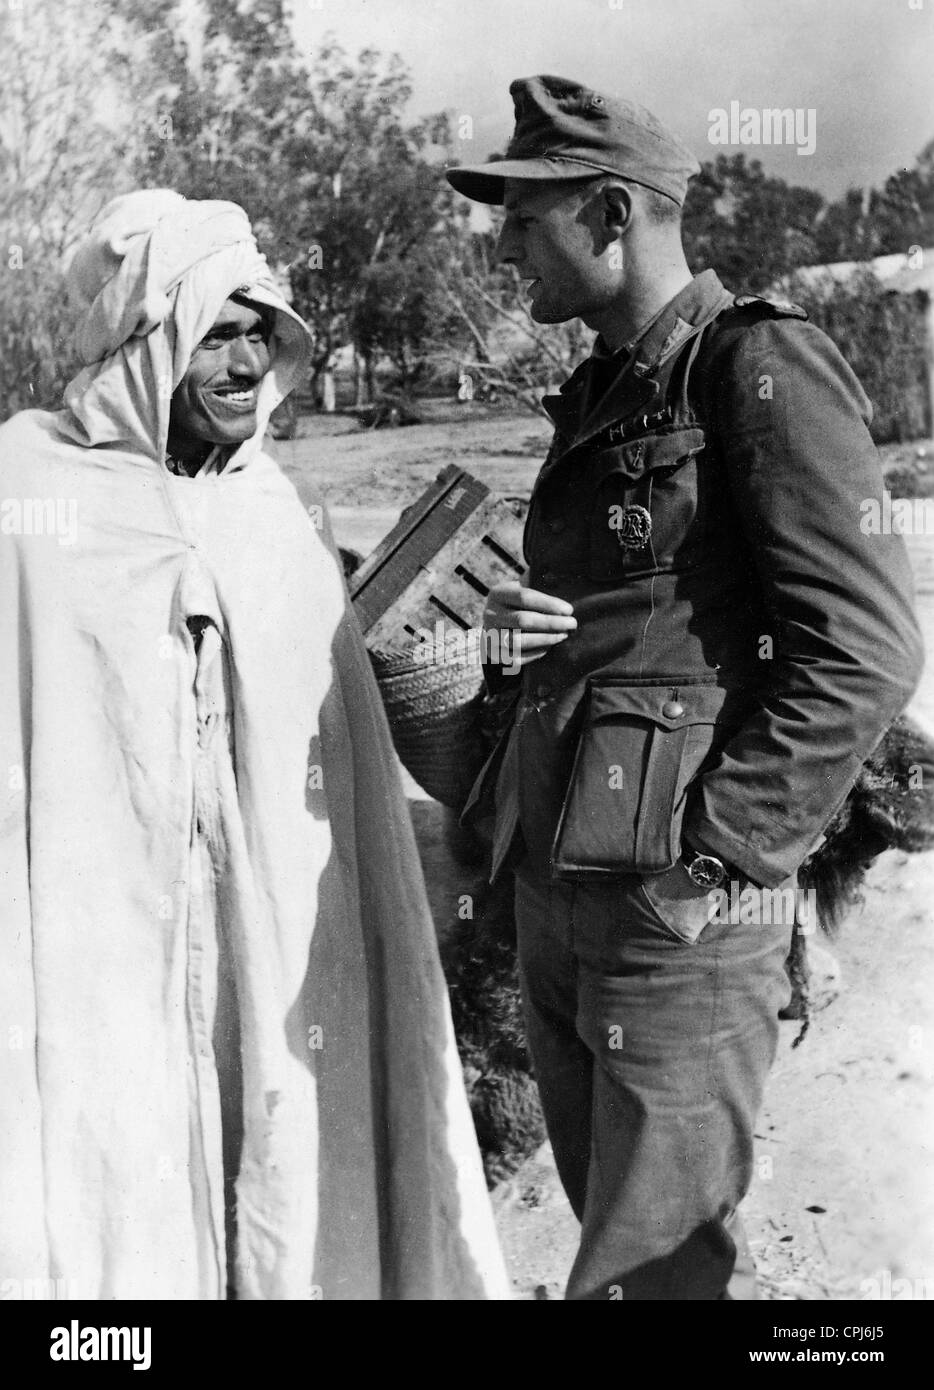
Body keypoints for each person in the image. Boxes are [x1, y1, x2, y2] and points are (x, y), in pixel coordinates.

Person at [447, 75, 923, 1300]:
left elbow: (863, 646)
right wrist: (526, 633)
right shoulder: (608, 386)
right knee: (623, 1248)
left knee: (650, 1274)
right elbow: (645, 622)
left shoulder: (759, 364)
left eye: (523, 214)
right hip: (569, 885)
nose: (502, 244)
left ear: (609, 213)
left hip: (675, 910)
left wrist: (714, 867)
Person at [0, 190, 509, 1301]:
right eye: (213, 334)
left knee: (290, 1153)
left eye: (259, 332)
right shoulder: (31, 498)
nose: (244, 363)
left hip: (272, 934)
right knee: (113, 1173)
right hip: (105, 938)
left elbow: (343, 763)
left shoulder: (275, 512)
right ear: (146, 348)